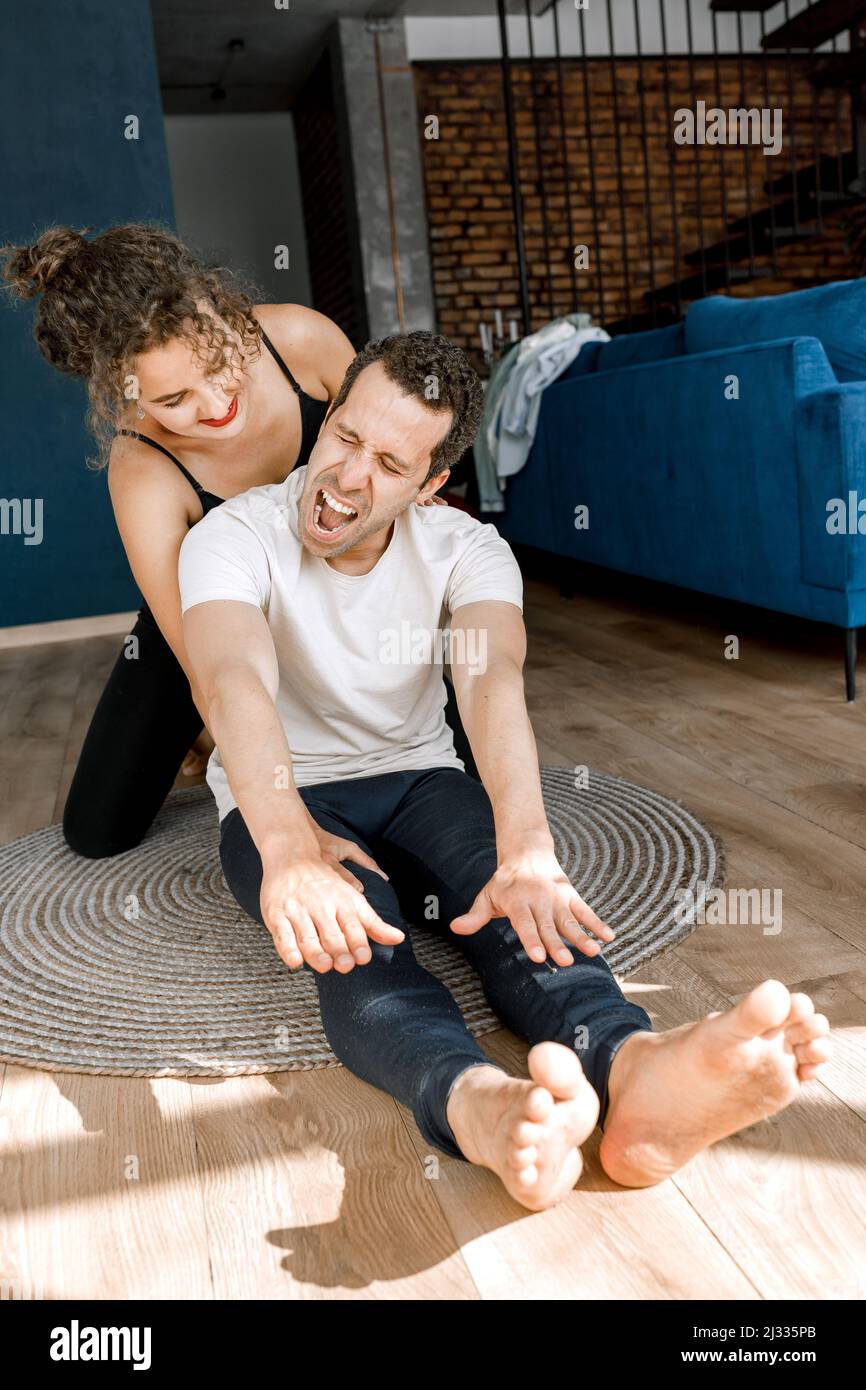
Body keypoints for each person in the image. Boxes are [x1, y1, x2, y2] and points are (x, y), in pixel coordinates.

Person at [178, 329, 831, 1212]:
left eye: (389, 463)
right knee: (356, 945)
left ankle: (633, 1072)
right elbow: (230, 678)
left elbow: (490, 680)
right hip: (291, 797)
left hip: (417, 777)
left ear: (431, 486)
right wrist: (289, 842)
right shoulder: (232, 535)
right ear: (325, 418)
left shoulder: (466, 548)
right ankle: (483, 1108)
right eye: (345, 438)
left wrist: (528, 848)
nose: (347, 476)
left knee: (519, 908)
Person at [1, 223, 472, 864]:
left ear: (221, 311)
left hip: (347, 585)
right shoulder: (141, 469)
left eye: (220, 364)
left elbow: (395, 443)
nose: (219, 401)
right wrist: (288, 824)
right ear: (123, 397)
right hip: (222, 613)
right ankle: (197, 742)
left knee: (465, 780)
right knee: (96, 830)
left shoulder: (302, 341)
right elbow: (205, 663)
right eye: (174, 398)